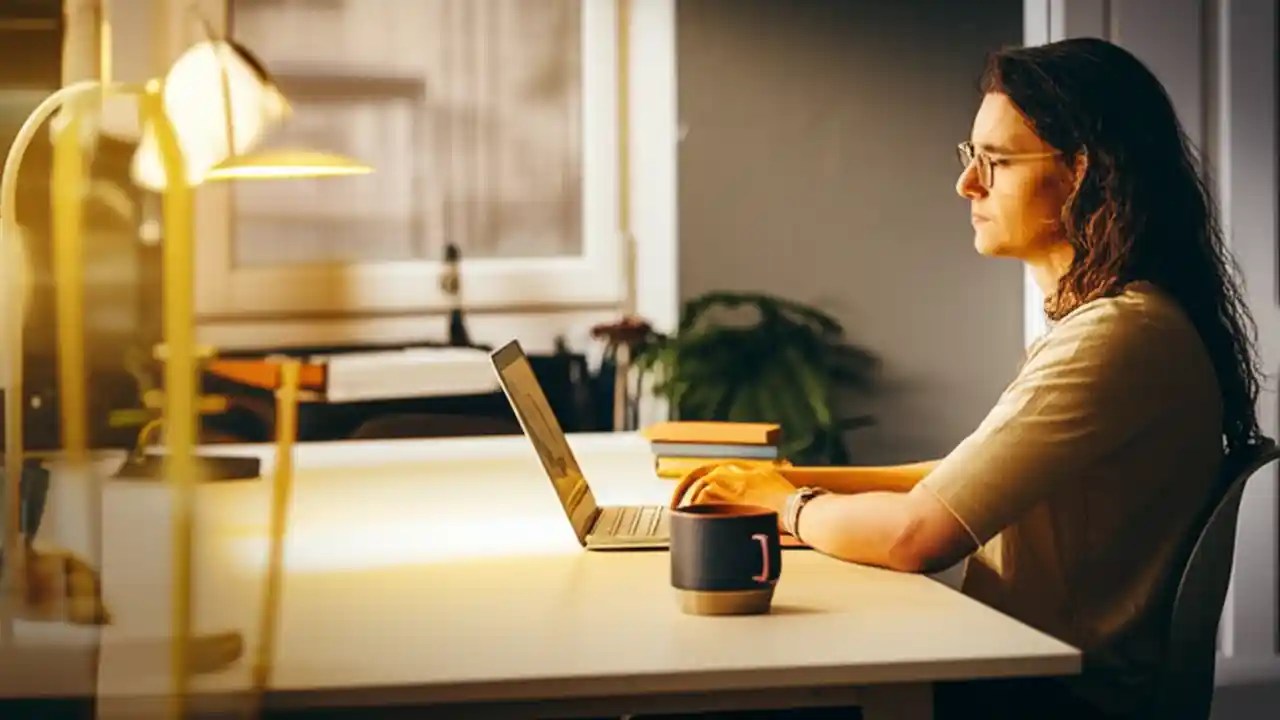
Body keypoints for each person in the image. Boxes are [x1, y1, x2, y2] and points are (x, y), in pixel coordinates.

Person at [672, 37, 1263, 720]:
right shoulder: (1116, 322)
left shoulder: (1119, 336)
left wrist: (786, 506)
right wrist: (779, 480)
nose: (967, 184)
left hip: (1050, 698)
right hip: (1030, 673)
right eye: (969, 156)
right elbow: (957, 480)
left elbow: (917, 537)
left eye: (997, 161)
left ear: (1084, 173)